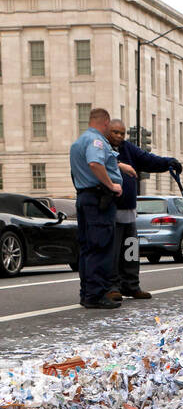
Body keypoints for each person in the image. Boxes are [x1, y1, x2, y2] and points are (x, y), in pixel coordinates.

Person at [106, 121, 182, 300]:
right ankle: (112, 287)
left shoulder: (128, 149)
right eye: (115, 132)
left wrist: (168, 162)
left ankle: (131, 285)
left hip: (130, 213)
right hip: (112, 213)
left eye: (122, 133)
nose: (119, 136)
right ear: (108, 132)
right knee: (114, 253)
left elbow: (149, 160)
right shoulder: (103, 150)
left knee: (131, 252)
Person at [69, 108, 123, 309]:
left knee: (88, 248)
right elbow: (95, 162)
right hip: (99, 198)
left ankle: (87, 292)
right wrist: (111, 185)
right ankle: (97, 294)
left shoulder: (78, 142)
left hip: (85, 197)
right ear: (106, 123)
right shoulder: (97, 141)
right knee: (100, 247)